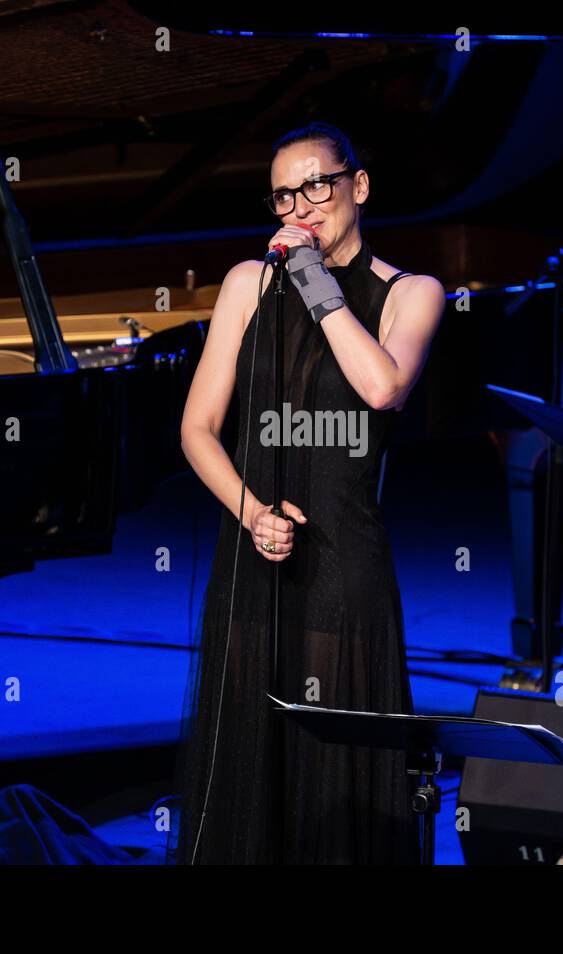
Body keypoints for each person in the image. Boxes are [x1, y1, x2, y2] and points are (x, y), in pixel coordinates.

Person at [171, 122, 447, 862]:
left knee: (333, 778)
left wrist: (315, 282)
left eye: (317, 186)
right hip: (251, 557)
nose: (301, 207)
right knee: (250, 769)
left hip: (342, 571)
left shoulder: (410, 293)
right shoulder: (244, 284)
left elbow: (382, 386)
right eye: (284, 195)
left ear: (358, 186)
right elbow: (198, 428)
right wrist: (250, 511)